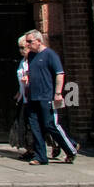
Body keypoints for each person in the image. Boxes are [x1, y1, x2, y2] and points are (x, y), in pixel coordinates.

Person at [23, 29, 78, 166]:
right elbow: (34, 72)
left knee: (51, 125)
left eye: (30, 41)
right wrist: (27, 79)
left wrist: (58, 93)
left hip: (47, 96)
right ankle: (40, 156)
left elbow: (60, 74)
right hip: (33, 96)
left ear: (39, 41)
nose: (28, 45)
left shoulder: (50, 55)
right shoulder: (31, 56)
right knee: (35, 127)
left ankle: (71, 148)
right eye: (27, 42)